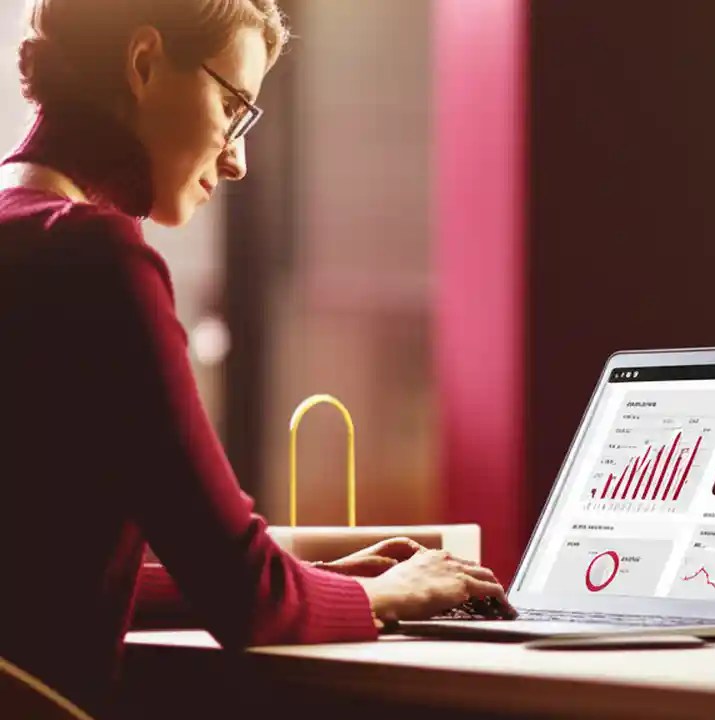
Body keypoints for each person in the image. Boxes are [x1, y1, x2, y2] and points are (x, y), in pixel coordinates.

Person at [0, 1, 513, 714]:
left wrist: (320, 581)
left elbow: (31, 579)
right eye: (233, 105)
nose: (237, 160)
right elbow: (247, 596)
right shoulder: (95, 259)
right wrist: (387, 595)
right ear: (145, 65)